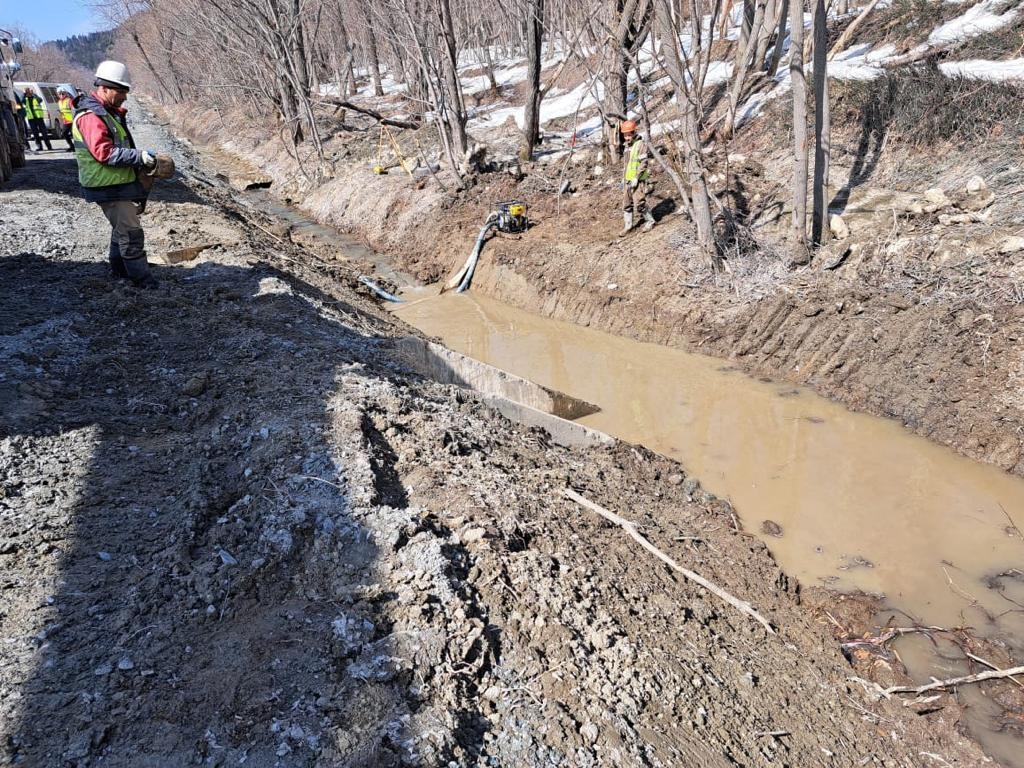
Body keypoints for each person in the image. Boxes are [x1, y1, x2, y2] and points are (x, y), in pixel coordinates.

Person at [72, 60, 160, 288]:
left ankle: (119, 271)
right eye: (121, 91)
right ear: (104, 88)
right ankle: (142, 281)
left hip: (112, 184)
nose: (124, 96)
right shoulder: (92, 116)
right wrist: (138, 157)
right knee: (131, 233)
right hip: (107, 186)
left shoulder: (106, 113)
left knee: (120, 229)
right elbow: (104, 153)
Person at [619, 119, 655, 236]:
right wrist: (623, 179)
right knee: (626, 203)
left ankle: (650, 221)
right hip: (627, 180)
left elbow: (644, 163)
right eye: (625, 135)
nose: (627, 137)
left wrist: (637, 177)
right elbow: (626, 164)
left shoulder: (640, 145)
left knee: (639, 202)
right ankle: (628, 225)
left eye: (629, 135)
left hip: (637, 180)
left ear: (634, 132)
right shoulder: (627, 146)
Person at [22, 86, 52, 152]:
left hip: (39, 118)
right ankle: (39, 147)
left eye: (29, 91)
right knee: (35, 134)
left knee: (44, 133)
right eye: (28, 91)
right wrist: (24, 94)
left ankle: (49, 146)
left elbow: (40, 100)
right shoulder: (25, 99)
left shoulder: (35, 98)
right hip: (31, 119)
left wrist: (33, 94)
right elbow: (22, 101)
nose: (28, 92)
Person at [57, 86, 75, 151]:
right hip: (66, 121)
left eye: (63, 93)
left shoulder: (69, 100)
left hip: (72, 121)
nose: (61, 95)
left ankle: (78, 147)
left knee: (75, 135)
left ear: (65, 93)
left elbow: (73, 110)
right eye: (60, 94)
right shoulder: (59, 102)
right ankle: (71, 146)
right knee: (64, 133)